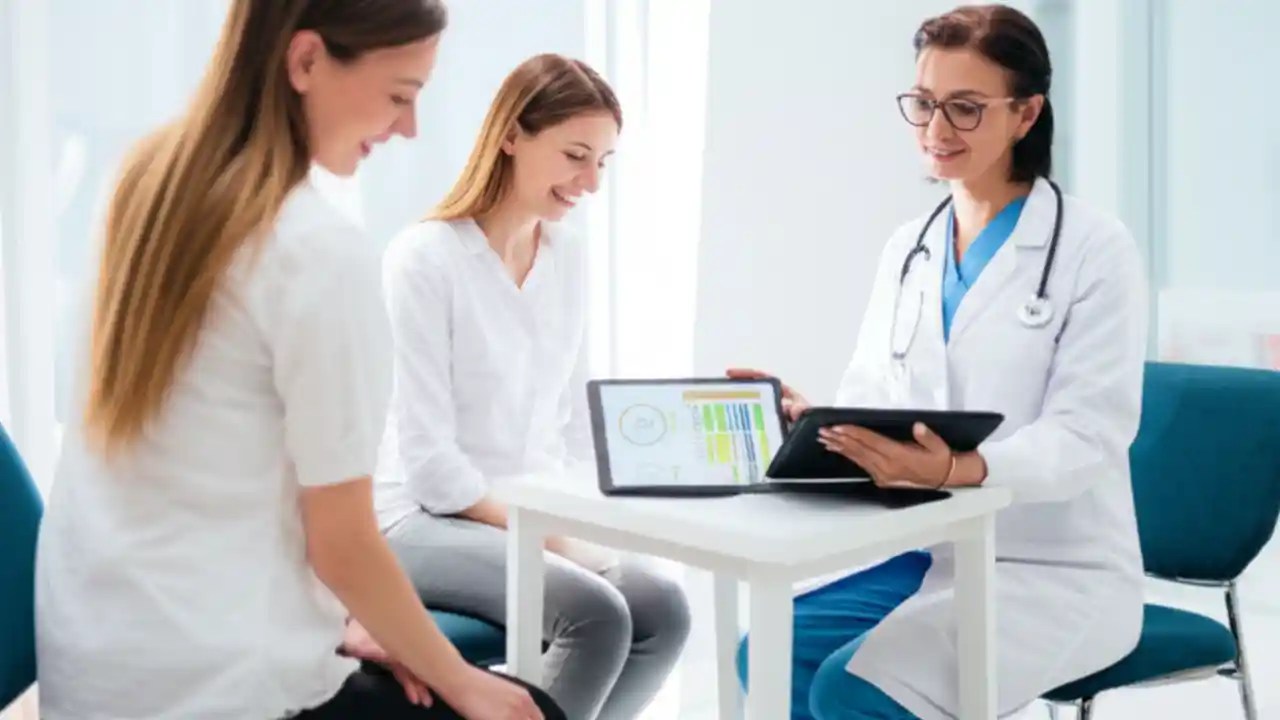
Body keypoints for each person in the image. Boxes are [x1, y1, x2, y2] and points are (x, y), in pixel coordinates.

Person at [34, 2, 563, 719]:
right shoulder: (315, 251)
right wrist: (460, 679)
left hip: (98, 669)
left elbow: (189, 462)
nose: (407, 128)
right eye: (400, 95)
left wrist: (341, 623)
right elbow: (341, 544)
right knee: (527, 706)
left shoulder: (146, 184)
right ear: (306, 60)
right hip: (225, 691)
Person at [732, 5, 1148, 719]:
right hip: (929, 550)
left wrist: (960, 471)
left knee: (854, 690)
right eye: (923, 104)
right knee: (766, 648)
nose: (935, 130)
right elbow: (875, 390)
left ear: (1026, 114)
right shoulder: (911, 246)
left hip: (1054, 569)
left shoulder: (1093, 249)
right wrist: (820, 424)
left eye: (964, 108)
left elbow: (1090, 434)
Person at [374, 53, 692, 720]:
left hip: (530, 512)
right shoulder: (425, 259)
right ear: (512, 135)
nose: (591, 182)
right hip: (421, 518)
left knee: (663, 608)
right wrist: (546, 533)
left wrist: (591, 517)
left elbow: (576, 422)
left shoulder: (566, 253)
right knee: (594, 613)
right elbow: (432, 467)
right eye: (576, 155)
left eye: (603, 162)